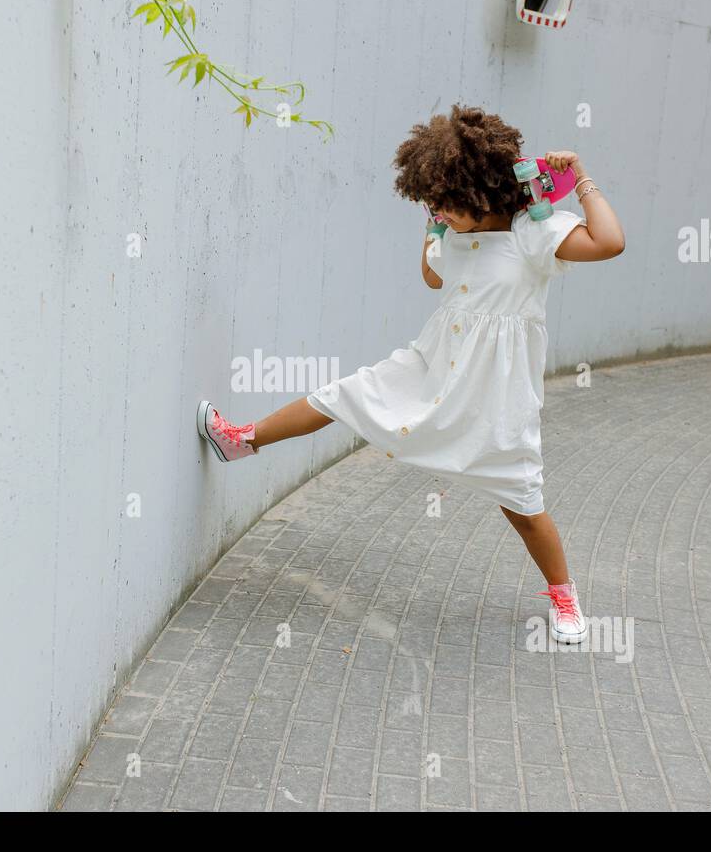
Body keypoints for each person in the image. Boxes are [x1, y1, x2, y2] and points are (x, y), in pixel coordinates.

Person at [196, 104, 625, 644]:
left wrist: (580, 178)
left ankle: (565, 596)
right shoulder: (453, 232)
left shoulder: (532, 234)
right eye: (432, 203)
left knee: (523, 503)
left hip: (495, 396)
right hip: (432, 366)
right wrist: (435, 225)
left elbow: (609, 242)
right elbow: (430, 276)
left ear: (481, 194)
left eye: (447, 203)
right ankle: (243, 440)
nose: (439, 212)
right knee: (339, 396)